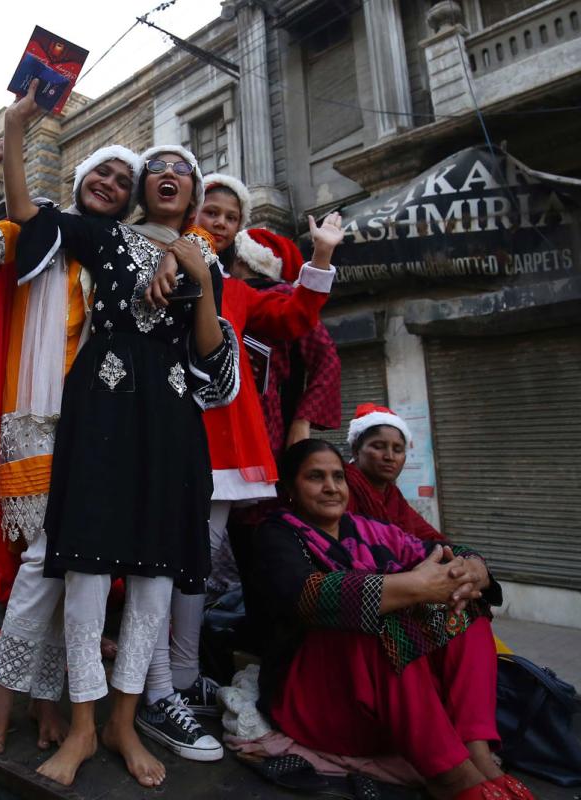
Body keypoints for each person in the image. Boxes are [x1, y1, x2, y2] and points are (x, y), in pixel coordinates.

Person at [4, 81, 241, 787]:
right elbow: (23, 214)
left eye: (184, 169)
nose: (170, 173)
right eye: (157, 166)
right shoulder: (102, 233)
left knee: (155, 577)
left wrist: (197, 268)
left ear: (194, 195)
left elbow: (209, 365)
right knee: (85, 565)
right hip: (102, 407)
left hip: (170, 422)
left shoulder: (207, 262)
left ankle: (124, 722)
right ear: (144, 185)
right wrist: (17, 130)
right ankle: (82, 726)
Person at [0, 140, 138, 752]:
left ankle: (41, 693)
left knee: (68, 560)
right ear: (79, 178)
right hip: (32, 410)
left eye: (124, 179)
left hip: (96, 420)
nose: (111, 182)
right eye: (103, 169)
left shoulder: (119, 255)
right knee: (42, 552)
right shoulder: (31, 229)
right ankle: (9, 688)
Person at [150, 175, 341, 744]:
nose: (222, 221)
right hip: (158, 433)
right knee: (156, 563)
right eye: (213, 210)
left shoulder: (237, 292)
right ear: (192, 210)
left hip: (220, 446)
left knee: (197, 566)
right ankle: (154, 687)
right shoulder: (150, 261)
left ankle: (181, 677)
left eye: (232, 217)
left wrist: (322, 257)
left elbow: (294, 320)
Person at [247, 439, 533, 800]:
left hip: (394, 715)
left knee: (467, 607)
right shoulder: (276, 536)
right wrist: (411, 586)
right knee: (368, 614)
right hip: (320, 705)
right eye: (315, 477)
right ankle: (450, 776)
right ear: (289, 488)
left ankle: (477, 750)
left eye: (338, 476)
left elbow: (439, 550)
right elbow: (305, 595)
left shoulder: (370, 530)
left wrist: (474, 568)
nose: (332, 487)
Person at [230, 227, 341, 460]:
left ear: (241, 258)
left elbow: (327, 361)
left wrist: (302, 420)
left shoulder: (285, 300)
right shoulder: (222, 295)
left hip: (268, 422)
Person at [345, 403, 445, 542]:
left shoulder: (393, 498)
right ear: (356, 450)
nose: (389, 457)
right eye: (378, 447)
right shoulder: (340, 491)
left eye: (398, 450)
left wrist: (467, 555)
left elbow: (432, 538)